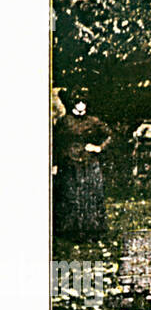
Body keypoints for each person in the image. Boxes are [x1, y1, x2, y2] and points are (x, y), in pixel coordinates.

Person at [53, 89, 111, 240]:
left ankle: (92, 231)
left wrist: (99, 148)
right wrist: (55, 164)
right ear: (73, 104)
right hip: (69, 164)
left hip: (89, 164)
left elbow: (109, 135)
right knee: (70, 197)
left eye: (83, 102)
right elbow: (56, 143)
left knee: (90, 196)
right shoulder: (64, 122)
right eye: (78, 102)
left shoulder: (93, 121)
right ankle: (70, 232)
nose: (81, 105)